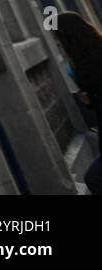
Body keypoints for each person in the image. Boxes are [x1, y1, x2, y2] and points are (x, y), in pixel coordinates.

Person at [54, 11, 102, 194]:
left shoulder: (80, 66)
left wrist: (90, 100)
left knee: (94, 179)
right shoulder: (80, 63)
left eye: (59, 38)